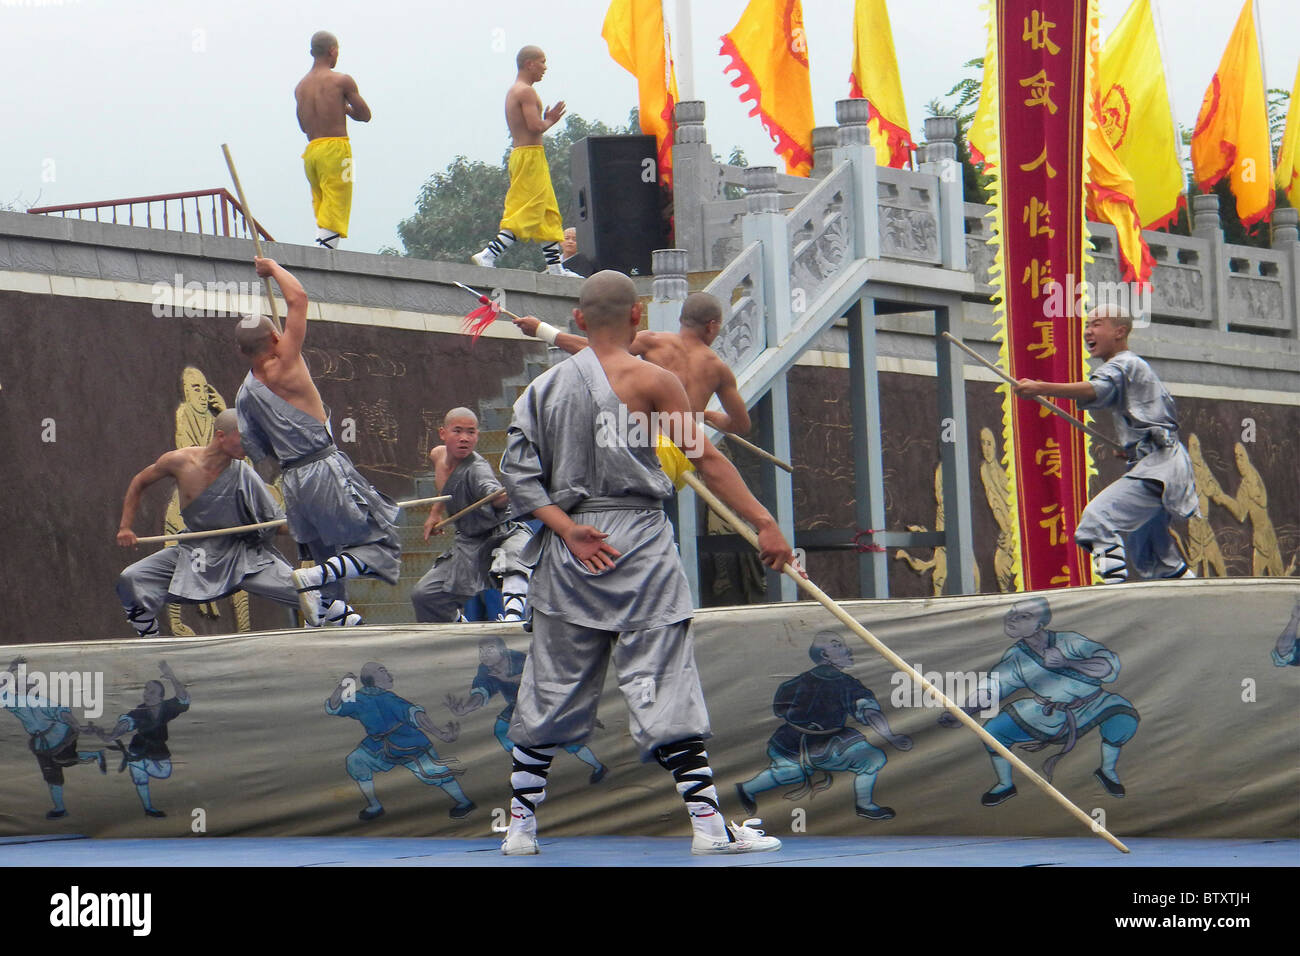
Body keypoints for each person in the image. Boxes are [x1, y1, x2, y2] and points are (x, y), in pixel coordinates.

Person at [496, 270, 798, 857]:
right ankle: (709, 828)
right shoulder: (656, 381)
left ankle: (519, 829)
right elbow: (705, 460)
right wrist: (764, 522)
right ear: (638, 316)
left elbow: (518, 477)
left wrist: (567, 530)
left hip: (570, 549)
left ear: (579, 320)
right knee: (664, 684)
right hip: (640, 545)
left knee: (549, 685)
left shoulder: (542, 390)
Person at [234, 257, 400, 626]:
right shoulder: (288, 361)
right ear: (275, 337)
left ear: (242, 352)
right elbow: (299, 298)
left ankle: (329, 613)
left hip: (292, 481)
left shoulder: (244, 395)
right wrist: (273, 268)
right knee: (380, 546)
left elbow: (254, 448)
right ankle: (310, 583)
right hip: (323, 468)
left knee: (329, 554)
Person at [1013, 304, 1197, 583]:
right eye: (1087, 325)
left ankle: (1111, 592)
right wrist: (1135, 448)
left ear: (1120, 331)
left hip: (1158, 469)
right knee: (1153, 554)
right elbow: (1152, 419)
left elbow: (1097, 390)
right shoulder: (1133, 367)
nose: (1088, 331)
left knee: (1098, 518)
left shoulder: (1125, 363)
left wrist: (1042, 388)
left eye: (1096, 324)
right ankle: (1191, 594)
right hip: (1157, 463)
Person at [115, 409, 314, 635]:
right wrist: (125, 527)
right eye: (244, 438)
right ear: (221, 436)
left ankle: (350, 626)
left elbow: (275, 523)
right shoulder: (180, 461)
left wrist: (310, 526)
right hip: (195, 552)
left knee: (310, 594)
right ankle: (151, 642)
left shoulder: (245, 475)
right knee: (131, 579)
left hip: (242, 557)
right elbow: (139, 481)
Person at [939, 598, 1139, 804]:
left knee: (1125, 718)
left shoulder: (1070, 641)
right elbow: (993, 689)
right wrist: (962, 712)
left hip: (1092, 704)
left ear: (1040, 625)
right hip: (1047, 711)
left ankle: (1107, 770)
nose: (1012, 619)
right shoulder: (1016, 656)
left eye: (1024, 616)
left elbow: (1107, 667)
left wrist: (1067, 662)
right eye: (1012, 613)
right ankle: (1005, 785)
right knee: (993, 731)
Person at [514, 292, 751, 435]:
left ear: (682, 319)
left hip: (640, 444)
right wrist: (705, 415)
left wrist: (542, 330)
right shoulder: (719, 369)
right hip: (684, 451)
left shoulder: (653, 342)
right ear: (711, 325)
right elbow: (740, 424)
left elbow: (598, 351)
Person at [736, 632, 911, 822]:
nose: (848, 650)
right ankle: (746, 789)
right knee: (789, 774)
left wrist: (889, 736)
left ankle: (864, 805)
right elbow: (781, 709)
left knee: (871, 757)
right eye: (837, 645)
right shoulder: (799, 684)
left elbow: (868, 711)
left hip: (833, 740)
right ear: (825, 655)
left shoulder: (848, 684)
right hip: (793, 742)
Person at [410, 408, 533, 623]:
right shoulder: (438, 454)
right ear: (442, 433)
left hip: (502, 535)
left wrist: (511, 492)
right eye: (457, 431)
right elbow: (446, 490)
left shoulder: (478, 470)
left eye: (471, 432)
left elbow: (495, 497)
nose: (464, 439)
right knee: (425, 595)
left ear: (477, 435)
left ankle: (512, 620)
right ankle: (460, 628)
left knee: (512, 564)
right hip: (468, 543)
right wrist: (435, 514)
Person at [471, 46, 578, 277]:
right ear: (529, 64)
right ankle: (489, 254)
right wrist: (550, 119)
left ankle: (555, 268)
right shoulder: (525, 92)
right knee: (525, 211)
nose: (545, 68)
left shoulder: (516, 90)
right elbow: (535, 126)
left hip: (529, 156)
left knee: (547, 212)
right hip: (528, 156)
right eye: (542, 62)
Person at [326, 663, 475, 821]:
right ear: (370, 678)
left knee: (435, 772)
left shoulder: (390, 698)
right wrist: (342, 687)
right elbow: (334, 706)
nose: (389, 674)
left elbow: (416, 715)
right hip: (377, 745)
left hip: (409, 742)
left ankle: (464, 803)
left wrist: (441, 735)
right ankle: (375, 806)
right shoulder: (359, 698)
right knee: (355, 761)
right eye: (383, 671)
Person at [446, 636, 607, 781]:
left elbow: (538, 678)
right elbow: (482, 691)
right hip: (517, 705)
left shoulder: (518, 658)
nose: (484, 654)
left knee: (567, 739)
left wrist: (509, 679)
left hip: (545, 701)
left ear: (502, 650)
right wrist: (466, 708)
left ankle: (598, 767)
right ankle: (524, 770)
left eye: (490, 649)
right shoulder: (485, 669)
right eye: (481, 650)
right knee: (502, 729)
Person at [2, 656, 106, 820]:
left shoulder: (42, 702)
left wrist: (77, 726)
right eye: (22, 687)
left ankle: (96, 754)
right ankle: (60, 808)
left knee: (67, 759)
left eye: (29, 687)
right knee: (51, 774)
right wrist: (10, 669)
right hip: (41, 743)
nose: (27, 689)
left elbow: (62, 713)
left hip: (59, 735)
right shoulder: (14, 703)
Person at [295, 30, 371, 249]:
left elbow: (303, 126)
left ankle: (324, 247)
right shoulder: (341, 81)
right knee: (338, 200)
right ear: (333, 51)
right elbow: (365, 115)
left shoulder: (300, 88)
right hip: (337, 149)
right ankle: (325, 255)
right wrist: (344, 109)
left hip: (311, 152)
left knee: (321, 202)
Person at [96, 661, 190, 818]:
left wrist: (172, 676)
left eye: (152, 692)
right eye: (145, 690)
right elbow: (126, 723)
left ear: (161, 697)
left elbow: (183, 698)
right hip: (138, 748)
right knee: (140, 778)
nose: (146, 694)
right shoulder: (139, 711)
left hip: (159, 750)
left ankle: (137, 761)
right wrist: (113, 735)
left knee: (164, 773)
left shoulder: (168, 707)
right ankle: (148, 808)